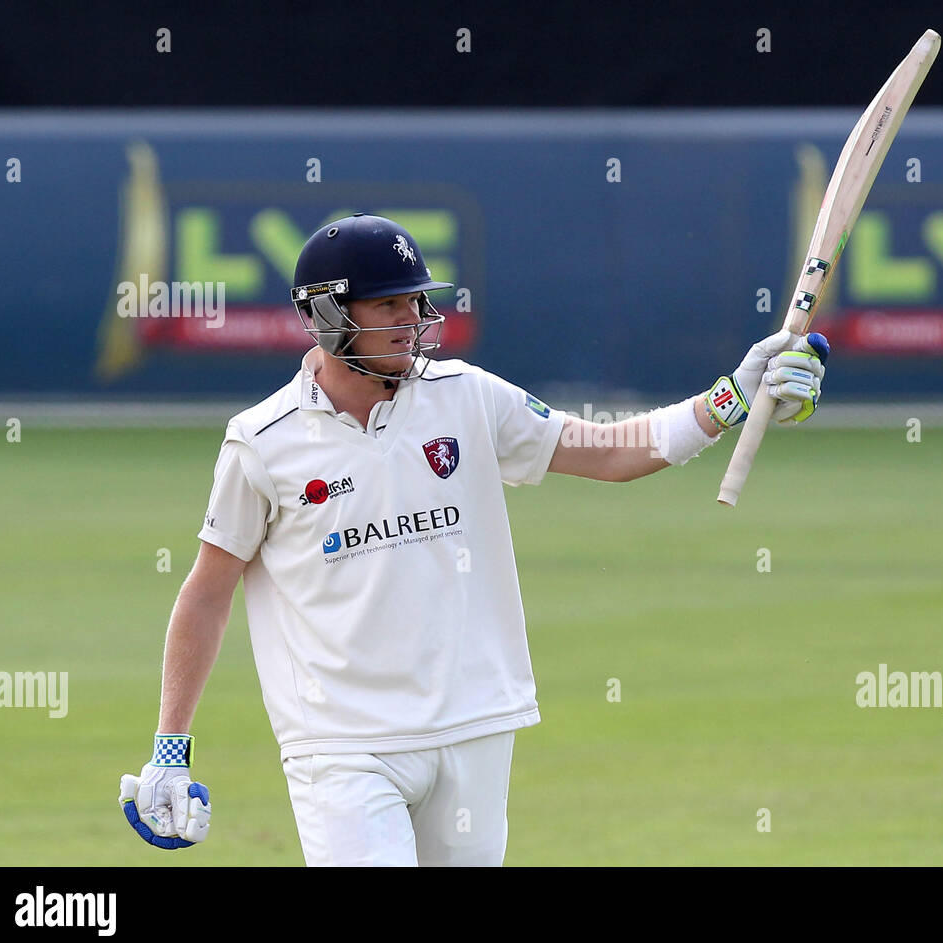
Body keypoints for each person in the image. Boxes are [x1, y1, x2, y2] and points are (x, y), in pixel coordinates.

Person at [118, 213, 830, 866]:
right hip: (340, 742)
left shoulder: (466, 394)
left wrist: (733, 396)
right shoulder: (261, 443)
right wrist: (170, 751)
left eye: (417, 302)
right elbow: (207, 596)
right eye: (389, 305)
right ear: (330, 315)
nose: (414, 320)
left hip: (475, 724)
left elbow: (609, 451)